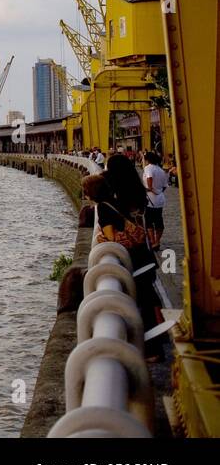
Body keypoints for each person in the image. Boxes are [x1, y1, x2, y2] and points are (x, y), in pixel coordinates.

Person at [94, 154, 164, 359]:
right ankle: (160, 338)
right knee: (148, 296)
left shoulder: (110, 202)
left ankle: (153, 349)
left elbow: (112, 236)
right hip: (144, 251)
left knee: (141, 303)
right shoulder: (136, 192)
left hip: (129, 256)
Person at [143, 152, 168, 249]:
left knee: (149, 220)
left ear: (148, 160)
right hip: (160, 198)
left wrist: (150, 188)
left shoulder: (148, 167)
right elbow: (165, 186)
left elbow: (149, 177)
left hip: (150, 198)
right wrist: (158, 191)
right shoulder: (161, 170)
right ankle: (157, 241)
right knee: (158, 220)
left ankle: (152, 240)